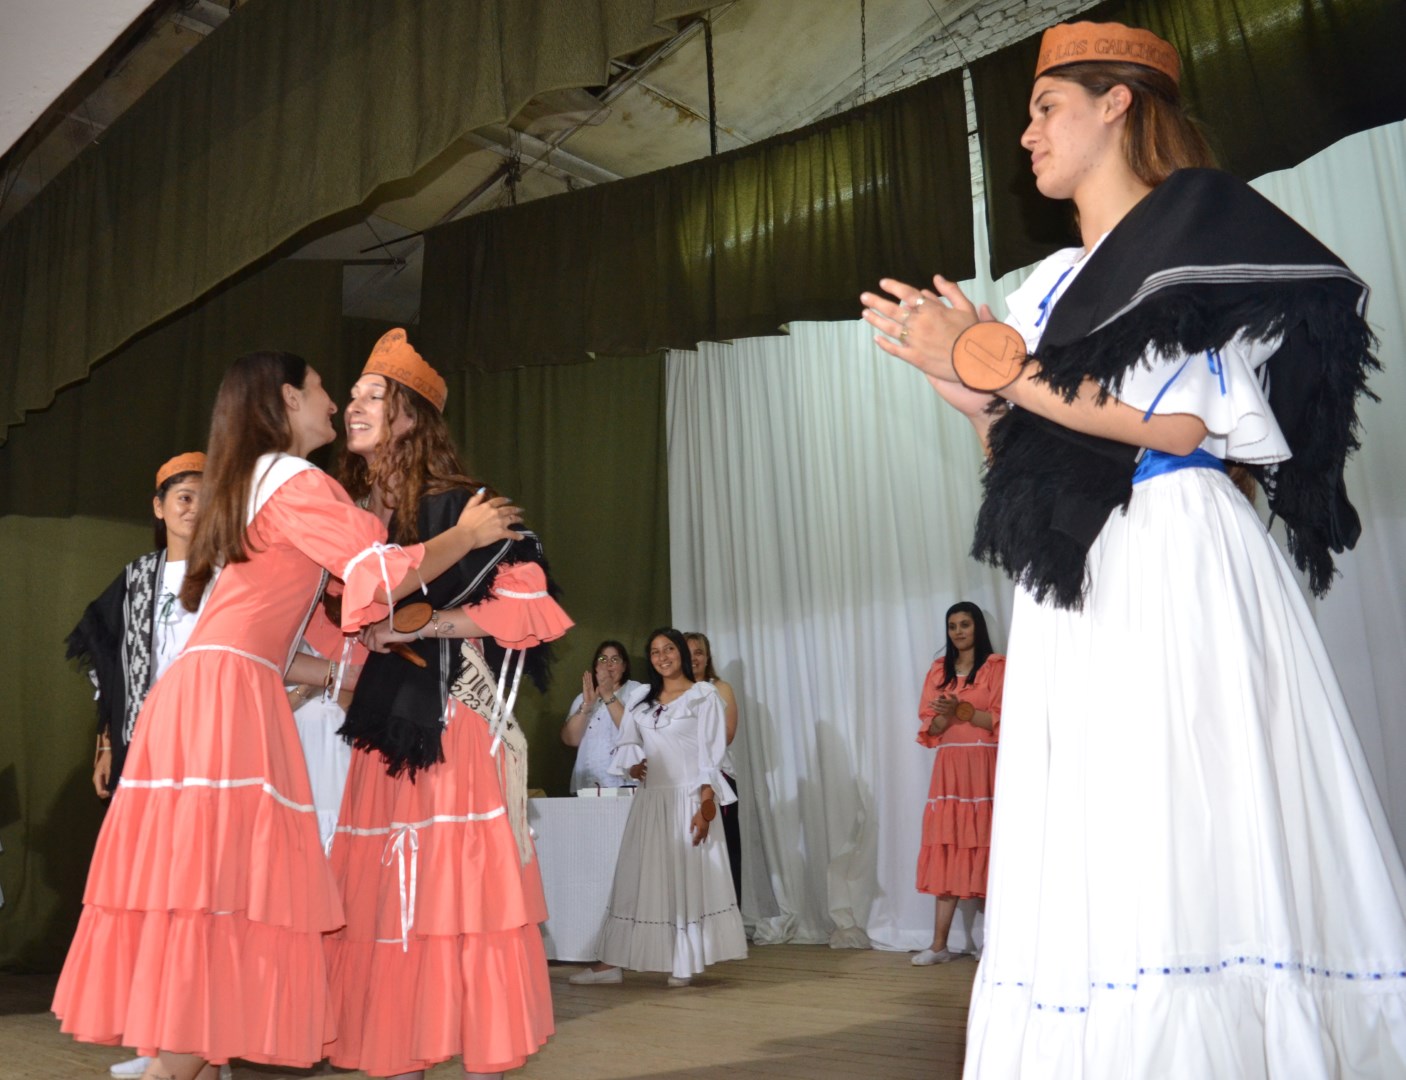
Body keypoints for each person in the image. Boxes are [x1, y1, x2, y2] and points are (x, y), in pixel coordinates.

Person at [862, 20, 1406, 1077]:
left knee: (1183, 802)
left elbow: (1180, 425)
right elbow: (1027, 454)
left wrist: (994, 365)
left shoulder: (1186, 236)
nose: (1026, 135)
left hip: (1169, 550)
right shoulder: (1048, 286)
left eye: (1045, 108)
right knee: (1100, 814)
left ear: (1115, 104)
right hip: (1077, 576)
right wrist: (971, 394)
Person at [51, 350, 522, 1080]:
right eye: (324, 389)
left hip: (218, 686)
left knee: (217, 895)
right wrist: (466, 534)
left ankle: (184, 1062)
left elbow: (300, 631)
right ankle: (174, 1066)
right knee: (223, 896)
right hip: (228, 694)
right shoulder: (295, 481)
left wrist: (358, 670)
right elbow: (378, 576)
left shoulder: (255, 484)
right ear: (287, 399)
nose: (334, 404)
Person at [325, 328, 571, 1080]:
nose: (353, 406)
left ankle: (480, 1057)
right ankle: (401, 1054)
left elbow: (531, 608)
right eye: (352, 395)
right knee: (389, 896)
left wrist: (423, 622)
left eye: (372, 395)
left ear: (410, 414)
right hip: (384, 726)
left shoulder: (466, 508)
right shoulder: (354, 518)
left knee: (460, 894)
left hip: (452, 720)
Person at [64, 452, 205, 1080]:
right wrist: (105, 744)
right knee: (150, 896)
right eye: (182, 496)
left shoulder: (233, 574)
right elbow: (109, 666)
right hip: (146, 755)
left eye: (205, 496)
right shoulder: (138, 579)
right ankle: (159, 1036)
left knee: (196, 898)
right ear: (158, 507)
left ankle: (195, 1040)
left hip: (208, 753)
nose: (193, 507)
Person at [569, 628, 747, 987]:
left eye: (669, 649)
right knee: (637, 880)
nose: (662, 657)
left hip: (688, 800)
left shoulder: (703, 696)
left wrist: (705, 807)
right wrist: (634, 766)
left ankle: (684, 960)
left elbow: (710, 756)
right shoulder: (642, 699)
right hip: (650, 802)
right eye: (654, 651)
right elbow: (630, 744)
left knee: (683, 880)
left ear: (681, 652)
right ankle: (612, 962)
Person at [911, 602, 1003, 967]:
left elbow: (1002, 719)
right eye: (952, 626)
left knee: (988, 846)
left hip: (984, 765)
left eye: (965, 624)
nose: (958, 632)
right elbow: (931, 728)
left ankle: (995, 944)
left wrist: (959, 711)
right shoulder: (939, 670)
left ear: (977, 627)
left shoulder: (996, 667)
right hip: (949, 768)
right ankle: (939, 945)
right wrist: (944, 717)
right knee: (948, 845)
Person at [685, 631, 741, 901]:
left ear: (708, 657)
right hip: (684, 780)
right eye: (687, 653)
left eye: (699, 652)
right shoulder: (670, 693)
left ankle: (730, 910)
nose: (693, 658)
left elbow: (727, 735)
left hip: (718, 779)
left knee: (724, 848)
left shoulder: (720, 688)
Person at [562, 639, 643, 792]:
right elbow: (570, 740)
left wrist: (607, 694)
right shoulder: (584, 697)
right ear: (595, 666)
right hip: (589, 784)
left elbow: (634, 732)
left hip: (627, 784)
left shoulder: (637, 691)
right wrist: (587, 705)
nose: (608, 665)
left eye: (615, 659)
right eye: (603, 659)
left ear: (624, 666)